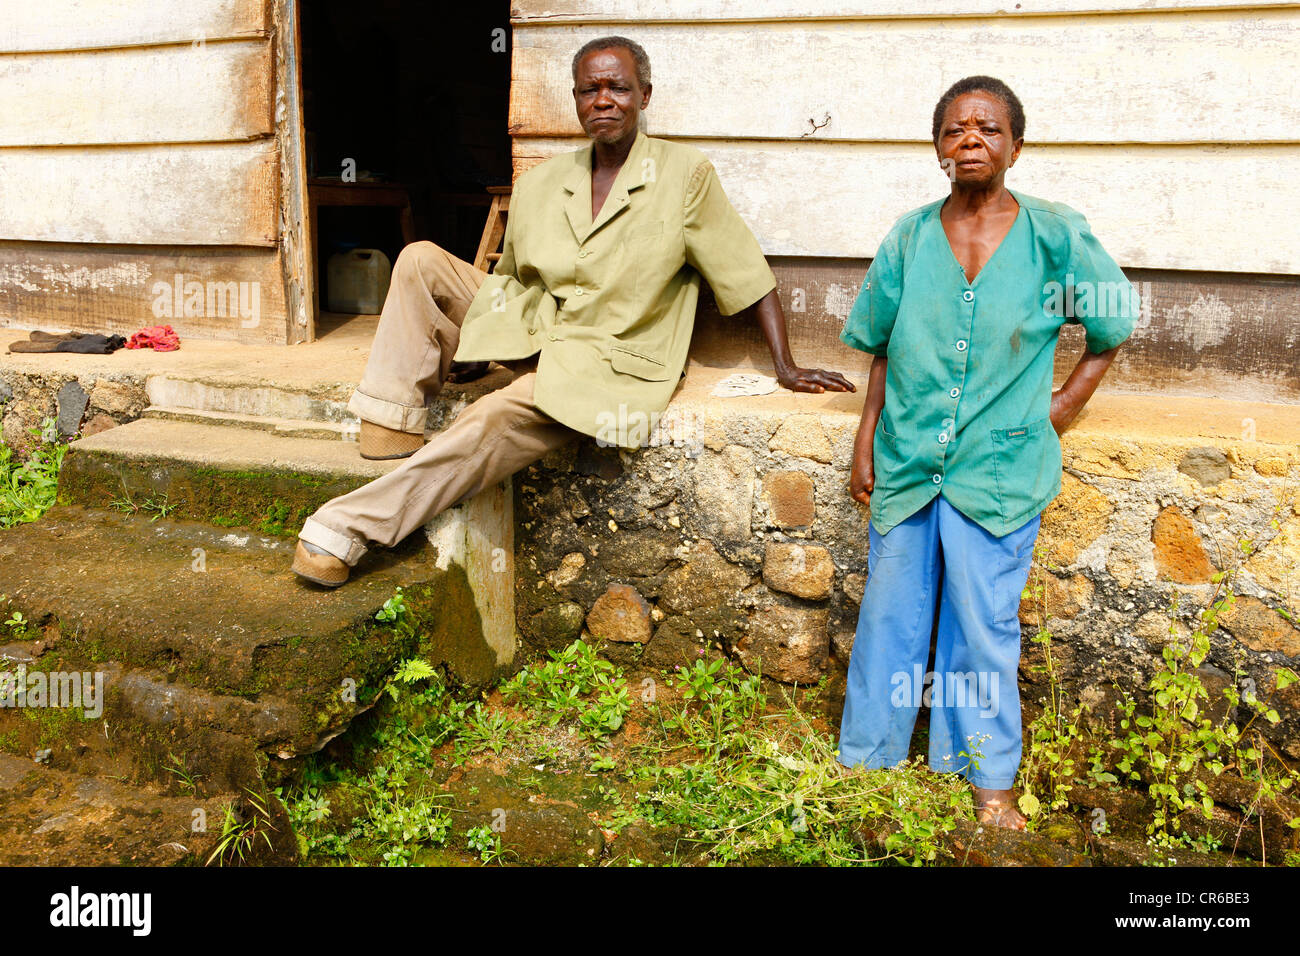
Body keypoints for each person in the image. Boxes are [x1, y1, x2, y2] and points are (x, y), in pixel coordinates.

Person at [292, 35, 854, 587]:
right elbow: (508, 280)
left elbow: (746, 272)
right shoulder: (543, 180)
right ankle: (390, 421)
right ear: (576, 98)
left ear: (645, 96)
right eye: (590, 90)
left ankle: (347, 527)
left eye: (618, 88)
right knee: (418, 260)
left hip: (607, 359)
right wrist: (480, 344)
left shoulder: (685, 175)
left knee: (488, 417)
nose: (603, 100)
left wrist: (786, 364)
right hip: (536, 324)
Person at [836, 76, 1138, 829]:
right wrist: (864, 442)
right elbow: (877, 349)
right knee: (890, 616)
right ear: (936, 148)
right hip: (908, 461)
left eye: (988, 128)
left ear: (1016, 145)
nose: (971, 139)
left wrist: (1062, 407)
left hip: (998, 471)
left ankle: (985, 777)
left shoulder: (1055, 234)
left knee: (981, 623)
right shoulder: (909, 236)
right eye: (955, 130)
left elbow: (1111, 328)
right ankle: (869, 760)